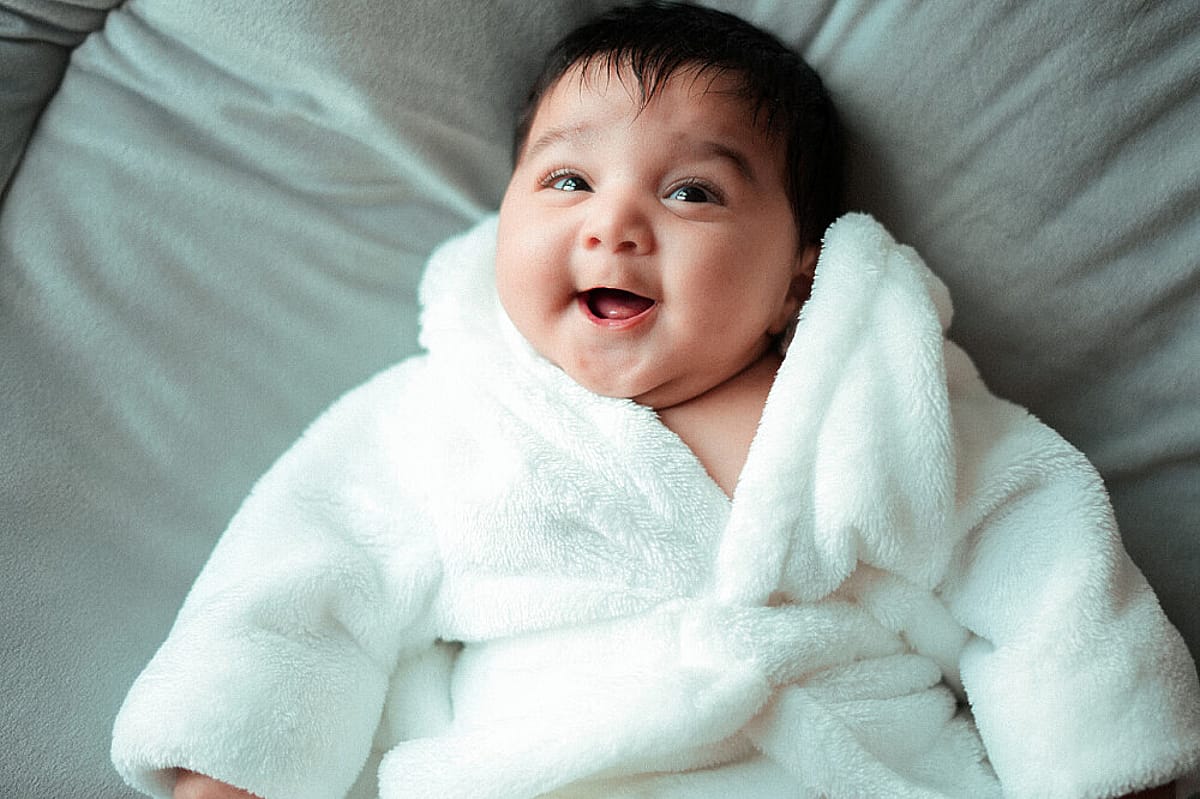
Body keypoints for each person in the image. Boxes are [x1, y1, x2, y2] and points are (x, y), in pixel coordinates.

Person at [113, 3, 1200, 798]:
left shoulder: (884, 407)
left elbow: (1053, 584)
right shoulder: (441, 417)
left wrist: (1112, 764)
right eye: (568, 180)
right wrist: (235, 766)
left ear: (796, 281)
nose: (614, 225)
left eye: (691, 192)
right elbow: (306, 582)